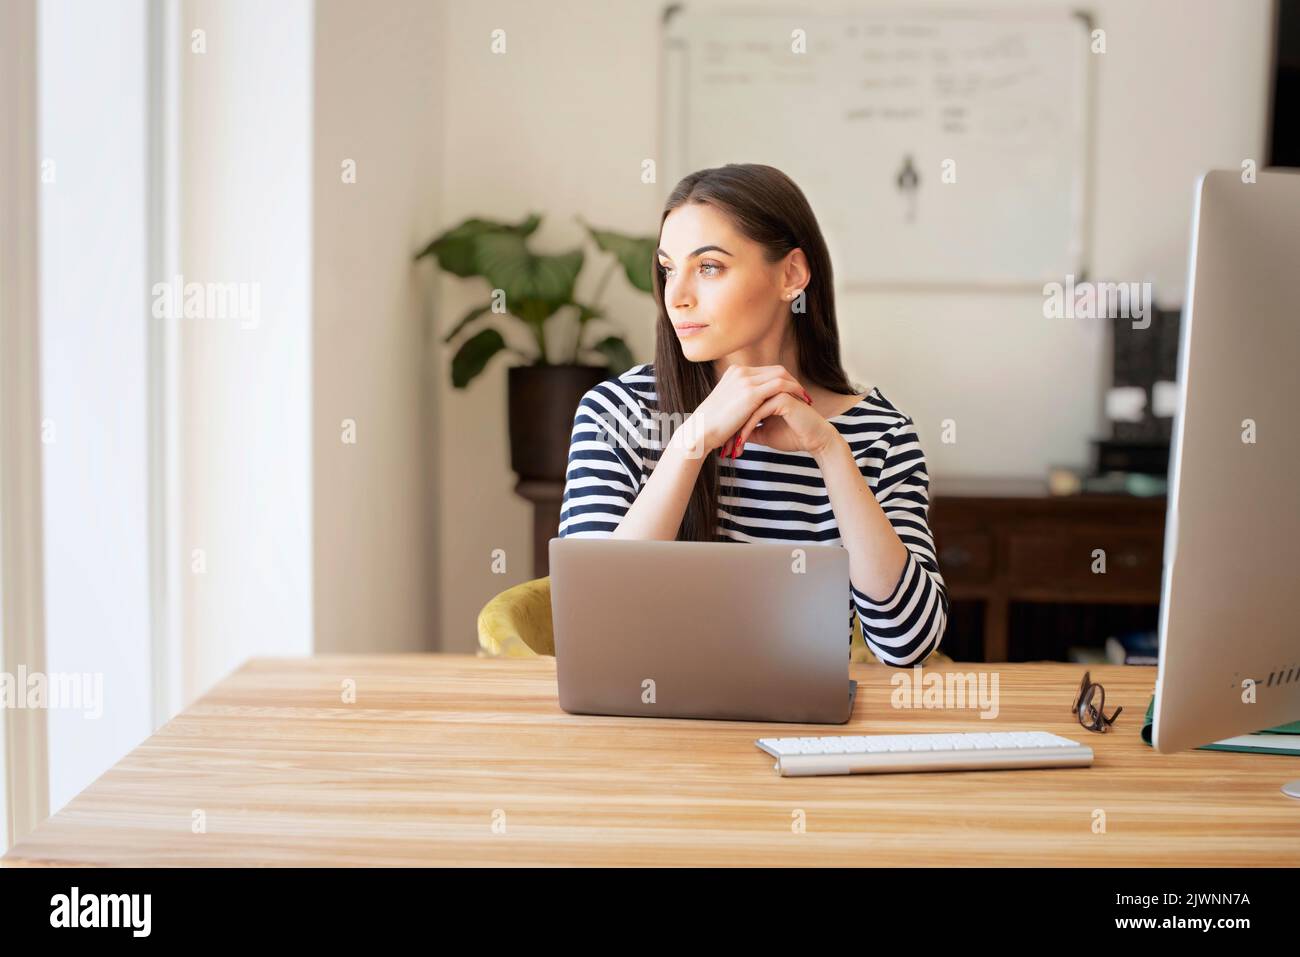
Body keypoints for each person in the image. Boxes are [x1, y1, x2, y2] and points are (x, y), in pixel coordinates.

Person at [558, 163, 947, 666]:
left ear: (791, 275)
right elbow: (592, 628)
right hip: (648, 727)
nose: (675, 296)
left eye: (709, 267)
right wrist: (691, 443)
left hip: (803, 734)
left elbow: (908, 646)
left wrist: (831, 453)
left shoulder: (880, 436)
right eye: (668, 268)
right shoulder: (616, 414)